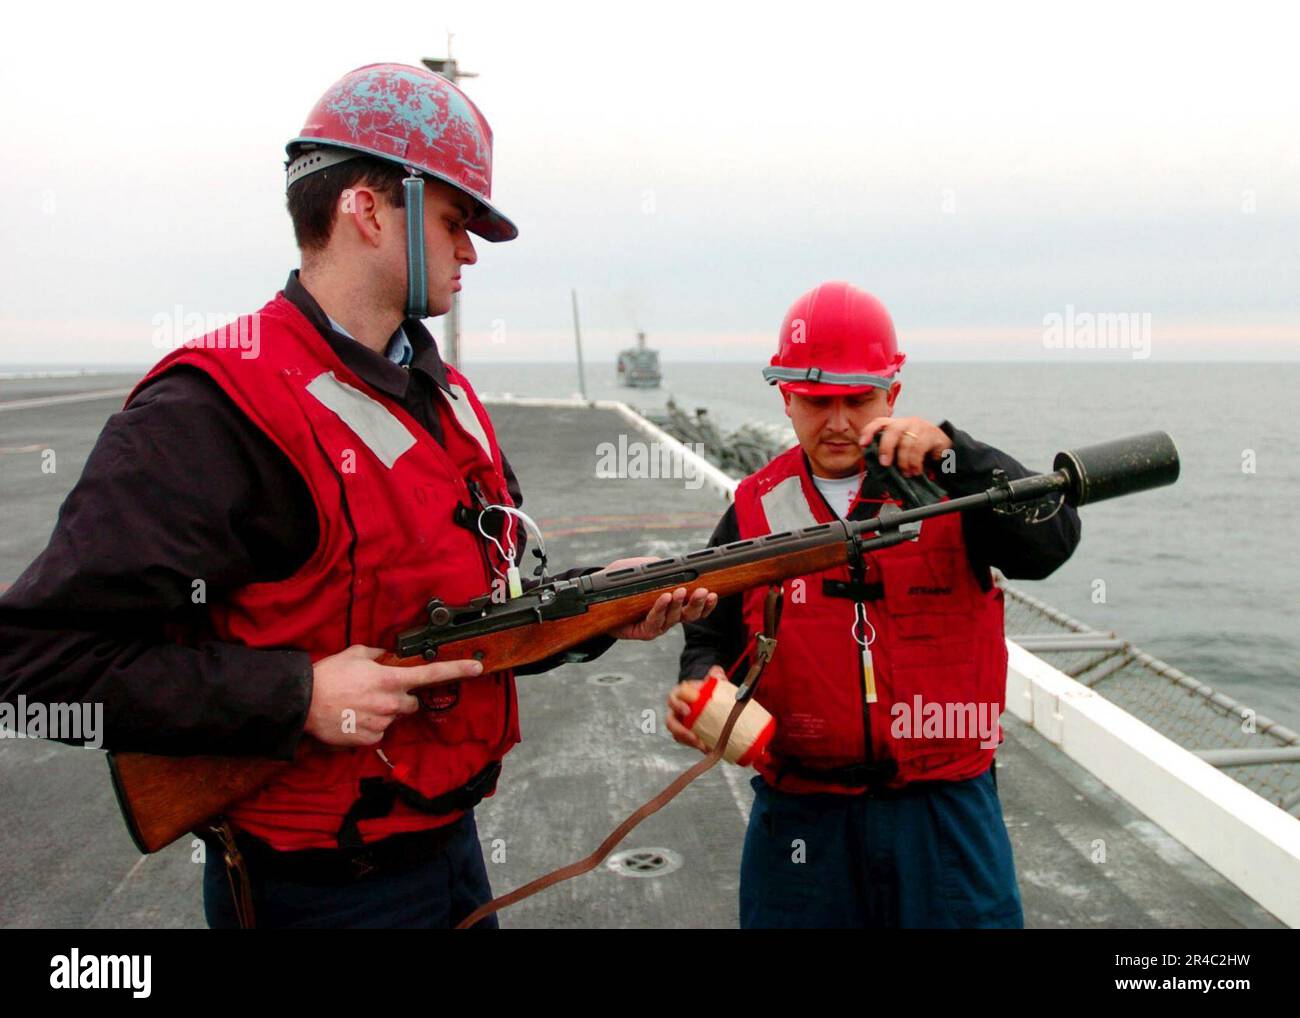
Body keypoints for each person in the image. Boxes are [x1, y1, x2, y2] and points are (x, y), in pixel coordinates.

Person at [0, 63, 714, 929]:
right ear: (371, 210)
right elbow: (34, 665)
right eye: (455, 220)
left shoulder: (442, 398)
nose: (470, 250)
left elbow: (480, 617)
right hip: (314, 890)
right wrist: (293, 696)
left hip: (448, 847)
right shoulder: (209, 410)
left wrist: (605, 601)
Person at [666, 281, 1080, 928]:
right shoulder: (753, 507)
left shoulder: (952, 489)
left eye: (858, 400)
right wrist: (702, 681)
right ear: (785, 396)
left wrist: (956, 453)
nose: (836, 422)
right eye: (815, 401)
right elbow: (709, 628)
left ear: (894, 394)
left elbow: (1050, 543)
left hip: (945, 814)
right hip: (802, 815)